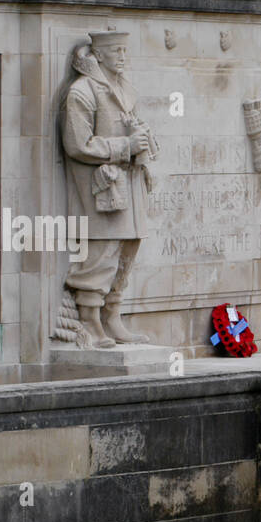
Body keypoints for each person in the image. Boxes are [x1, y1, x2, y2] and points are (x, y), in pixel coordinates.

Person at [61, 29, 158, 348]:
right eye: (116, 50)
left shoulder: (123, 88)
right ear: (98, 55)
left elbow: (132, 128)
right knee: (103, 252)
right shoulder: (82, 90)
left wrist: (144, 141)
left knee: (128, 249)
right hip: (103, 186)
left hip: (130, 183)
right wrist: (124, 146)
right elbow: (77, 144)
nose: (123, 56)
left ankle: (111, 315)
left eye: (125, 51)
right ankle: (89, 318)